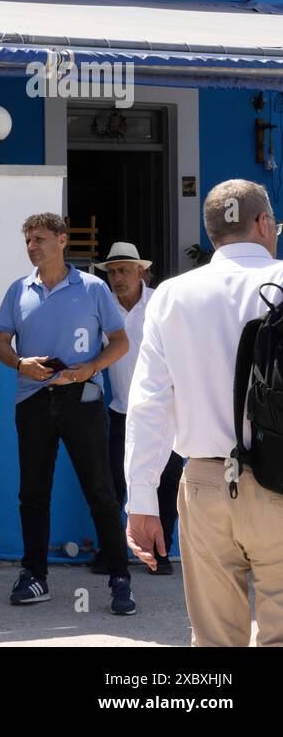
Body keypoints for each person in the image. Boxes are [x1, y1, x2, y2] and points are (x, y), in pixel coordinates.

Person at [126, 180, 283, 646]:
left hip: (204, 485)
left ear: (212, 232)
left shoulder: (171, 297)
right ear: (263, 222)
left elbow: (149, 403)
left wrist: (141, 500)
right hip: (279, 482)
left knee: (214, 640)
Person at [0, 212, 136, 615]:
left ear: (61, 240)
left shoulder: (92, 288)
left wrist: (89, 369)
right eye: (28, 241)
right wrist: (21, 364)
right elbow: (1, 344)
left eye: (39, 239)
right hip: (33, 401)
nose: (32, 247)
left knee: (101, 492)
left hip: (83, 400)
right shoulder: (17, 290)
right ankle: (34, 575)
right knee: (33, 494)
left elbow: (120, 342)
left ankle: (120, 580)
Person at [93, 242, 182, 576]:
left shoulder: (161, 302)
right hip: (121, 411)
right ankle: (112, 552)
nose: (117, 278)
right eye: (112, 272)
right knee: (115, 482)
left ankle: (159, 554)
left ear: (141, 270)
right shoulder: (102, 308)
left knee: (167, 481)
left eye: (124, 270)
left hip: (164, 412)